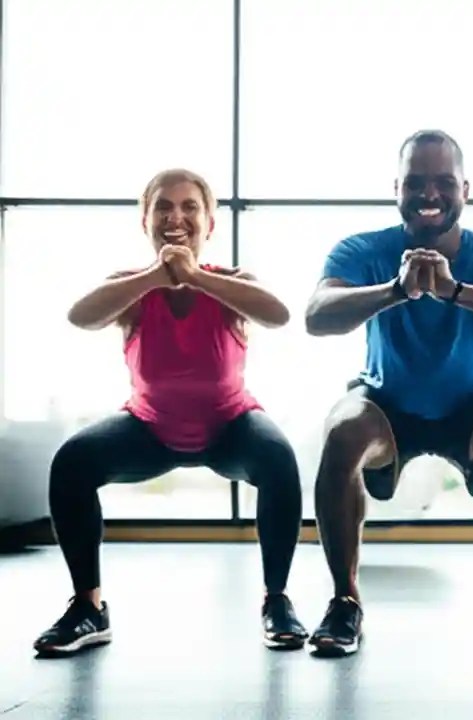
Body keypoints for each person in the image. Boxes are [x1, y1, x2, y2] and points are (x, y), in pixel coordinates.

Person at [33, 169, 307, 656]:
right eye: (163, 207)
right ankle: (88, 608)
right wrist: (160, 276)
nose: (175, 217)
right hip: (148, 428)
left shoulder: (231, 284)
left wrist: (196, 277)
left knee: (279, 461)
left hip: (230, 426)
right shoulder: (133, 289)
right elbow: (81, 316)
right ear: (146, 220)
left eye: (189, 207)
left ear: (209, 223)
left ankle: (277, 600)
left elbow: (278, 314)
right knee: (71, 463)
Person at [304, 129, 473, 657]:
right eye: (415, 183)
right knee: (342, 431)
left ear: (465, 190)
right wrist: (396, 290)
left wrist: (454, 291)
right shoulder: (364, 250)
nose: (429, 195)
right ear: (396, 189)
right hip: (385, 405)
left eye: (443, 182)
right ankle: (345, 601)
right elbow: (317, 317)